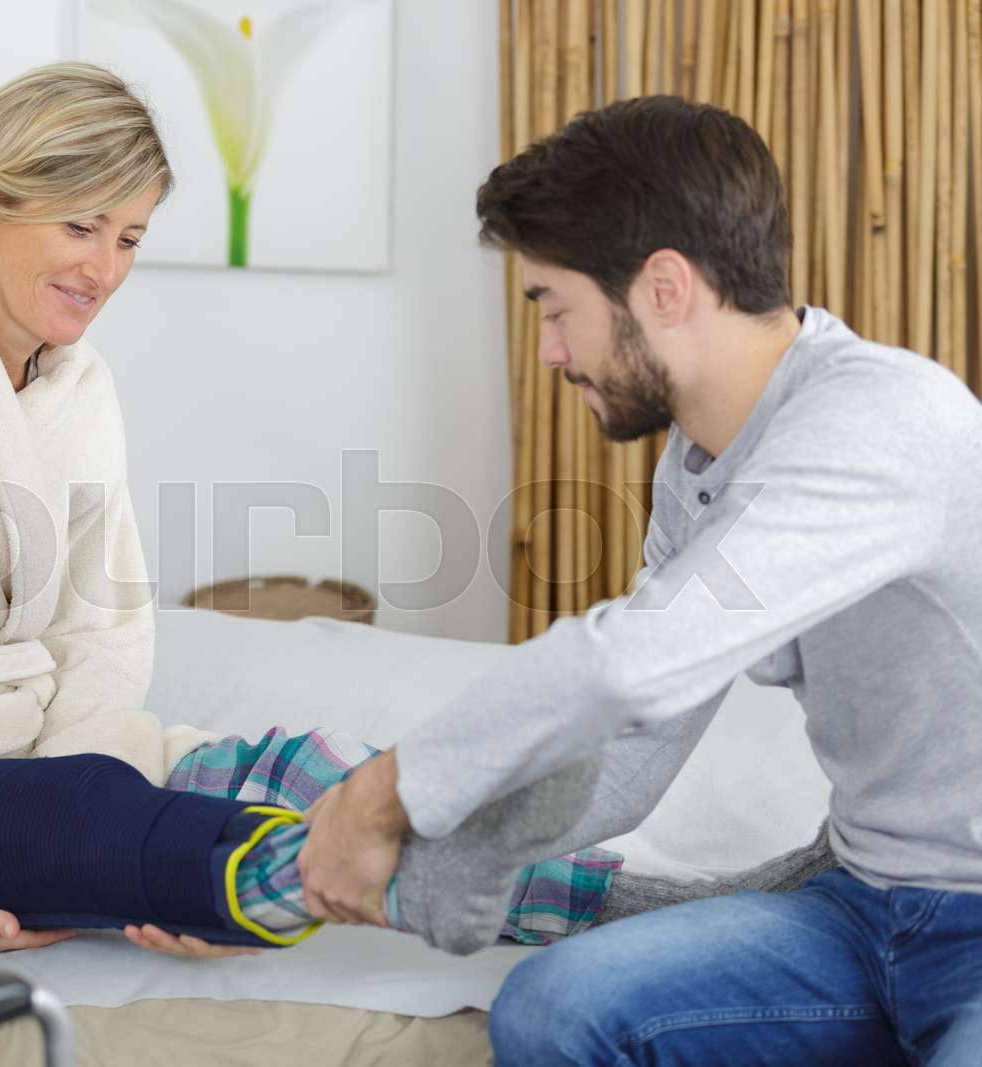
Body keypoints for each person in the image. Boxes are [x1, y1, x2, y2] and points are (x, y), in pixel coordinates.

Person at [0, 62, 617, 967]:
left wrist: (80, 771)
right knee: (171, 835)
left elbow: (105, 626)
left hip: (31, 750)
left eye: (128, 238)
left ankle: (642, 895)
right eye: (82, 226)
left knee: (316, 774)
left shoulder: (78, 387)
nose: (105, 270)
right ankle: (301, 882)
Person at [296, 94, 982, 1064]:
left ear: (662, 287)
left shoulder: (882, 418)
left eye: (554, 307)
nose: (548, 351)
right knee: (549, 1008)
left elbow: (622, 665)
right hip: (863, 907)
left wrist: (381, 795)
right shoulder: (694, 463)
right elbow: (638, 743)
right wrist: (457, 848)